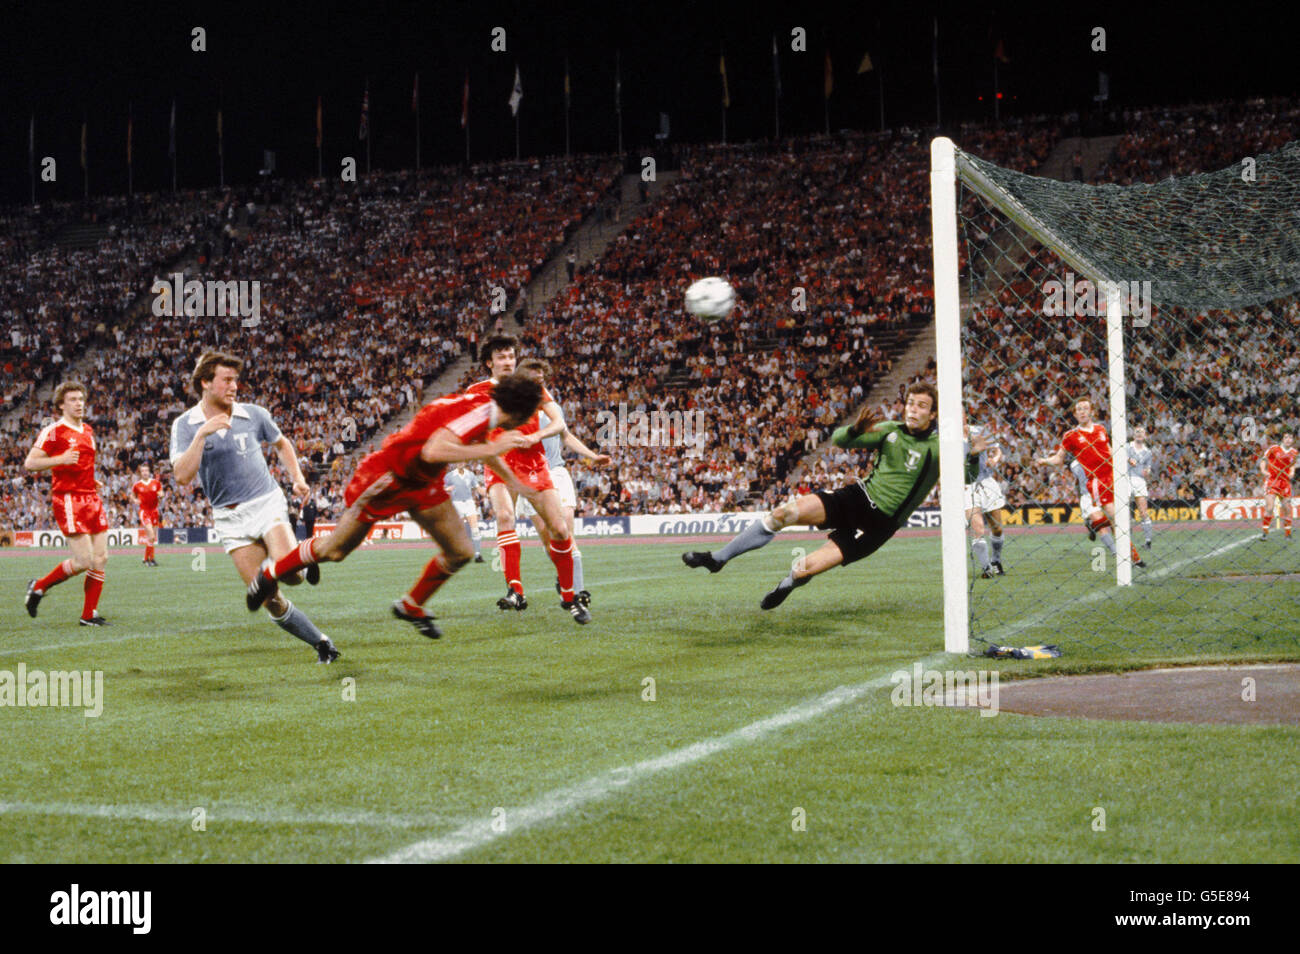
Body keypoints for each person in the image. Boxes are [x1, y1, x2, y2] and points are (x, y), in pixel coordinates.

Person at [246, 372, 547, 637]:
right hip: (390, 475)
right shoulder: (482, 413)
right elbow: (434, 450)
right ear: (520, 412)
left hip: (423, 480)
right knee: (335, 551)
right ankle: (270, 574)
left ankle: (411, 605)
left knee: (461, 551)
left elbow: (478, 447)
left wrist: (515, 481)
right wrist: (495, 447)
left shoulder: (486, 409)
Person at [683, 382, 942, 610]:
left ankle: (787, 584)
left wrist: (966, 452)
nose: (913, 409)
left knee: (802, 569)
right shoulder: (890, 430)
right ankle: (718, 558)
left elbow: (961, 473)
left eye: (921, 406)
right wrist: (854, 431)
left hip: (879, 524)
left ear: (933, 414)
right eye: (910, 403)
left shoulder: (940, 448)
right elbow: (840, 440)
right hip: (857, 497)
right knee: (782, 513)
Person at [170, 351, 339, 664]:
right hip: (228, 517)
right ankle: (322, 643)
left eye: (236, 380)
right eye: (227, 380)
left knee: (293, 577)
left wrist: (298, 479)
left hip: (265, 503)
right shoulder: (186, 425)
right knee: (269, 599)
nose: (234, 386)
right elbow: (182, 476)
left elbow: (282, 443)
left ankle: (304, 555)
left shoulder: (253, 414)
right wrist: (202, 434)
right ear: (205, 382)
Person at [467, 337, 588, 623]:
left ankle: (569, 597)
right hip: (499, 462)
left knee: (560, 530)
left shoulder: (532, 387)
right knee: (504, 516)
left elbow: (559, 422)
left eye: (511, 356)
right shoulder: (476, 391)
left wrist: (537, 436)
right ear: (489, 362)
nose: (508, 361)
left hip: (532, 462)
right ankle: (516, 591)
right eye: (501, 357)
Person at [513, 358, 612, 607]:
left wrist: (592, 456)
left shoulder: (552, 408)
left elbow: (566, 436)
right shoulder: (515, 410)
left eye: (542, 379)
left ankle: (579, 591)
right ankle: (564, 576)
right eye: (534, 379)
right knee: (549, 540)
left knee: (566, 531)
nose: (540, 383)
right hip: (529, 476)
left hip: (556, 472)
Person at [23, 382, 111, 625]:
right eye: (72, 399)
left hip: (90, 497)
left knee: (101, 558)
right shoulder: (53, 431)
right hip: (70, 500)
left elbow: (82, 464)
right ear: (61, 405)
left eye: (81, 399)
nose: (79, 403)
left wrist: (92, 480)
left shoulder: (88, 430)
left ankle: (88, 615)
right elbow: (30, 463)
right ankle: (39, 586)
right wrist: (60, 458)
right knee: (84, 561)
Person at [1034, 397, 1146, 568]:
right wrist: (1044, 461)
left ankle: (1125, 551)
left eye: (1086, 408)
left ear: (1091, 411)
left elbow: (1109, 450)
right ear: (1075, 414)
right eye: (1079, 409)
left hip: (1114, 476)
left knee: (1122, 520)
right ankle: (1132, 558)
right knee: (1117, 518)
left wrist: (1125, 458)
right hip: (1097, 481)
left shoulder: (1101, 429)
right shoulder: (1071, 436)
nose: (1083, 411)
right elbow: (1058, 458)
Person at [964, 424, 1006, 578]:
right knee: (978, 529)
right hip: (966, 485)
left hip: (987, 481)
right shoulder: (946, 437)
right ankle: (986, 568)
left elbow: (997, 450)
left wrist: (994, 459)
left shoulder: (979, 430)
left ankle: (996, 560)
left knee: (997, 528)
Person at [1259, 431, 1297, 540]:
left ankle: (1288, 534)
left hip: (1285, 483)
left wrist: (1292, 472)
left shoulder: (1294, 452)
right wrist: (1263, 470)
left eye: (1290, 438)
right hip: (1272, 481)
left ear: (1293, 440)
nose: (1288, 439)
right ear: (1282, 439)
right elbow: (1263, 460)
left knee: (1287, 508)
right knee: (1270, 507)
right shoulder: (1274, 449)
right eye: (1286, 437)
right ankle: (1265, 532)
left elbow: (1292, 465)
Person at [445, 462, 485, 562]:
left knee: (475, 529)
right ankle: (455, 554)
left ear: (465, 462)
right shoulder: (450, 476)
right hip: (456, 503)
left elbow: (478, 488)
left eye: (461, 461)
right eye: (457, 461)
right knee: (456, 531)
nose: (460, 463)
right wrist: (447, 488)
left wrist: (488, 494)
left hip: (469, 502)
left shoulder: (470, 475)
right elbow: (441, 488)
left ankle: (477, 555)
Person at [1125, 425, 1156, 548]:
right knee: (1124, 510)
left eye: (1141, 432)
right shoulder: (1127, 447)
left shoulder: (1148, 452)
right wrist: (1128, 459)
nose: (1139, 434)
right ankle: (1126, 539)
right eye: (1137, 432)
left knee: (1143, 511)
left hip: (1139, 480)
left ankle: (1148, 541)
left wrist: (1147, 472)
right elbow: (1119, 457)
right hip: (1126, 478)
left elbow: (1148, 467)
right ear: (1133, 435)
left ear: (1145, 436)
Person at [131, 462, 163, 566]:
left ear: (149, 472)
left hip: (154, 511)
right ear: (140, 473)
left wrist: (161, 495)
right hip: (144, 512)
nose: (145, 472)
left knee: (152, 538)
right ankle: (147, 559)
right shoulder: (137, 485)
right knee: (151, 535)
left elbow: (161, 492)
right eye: (143, 471)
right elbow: (132, 495)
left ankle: (149, 559)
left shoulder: (155, 482)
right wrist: (135, 500)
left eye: (146, 470)